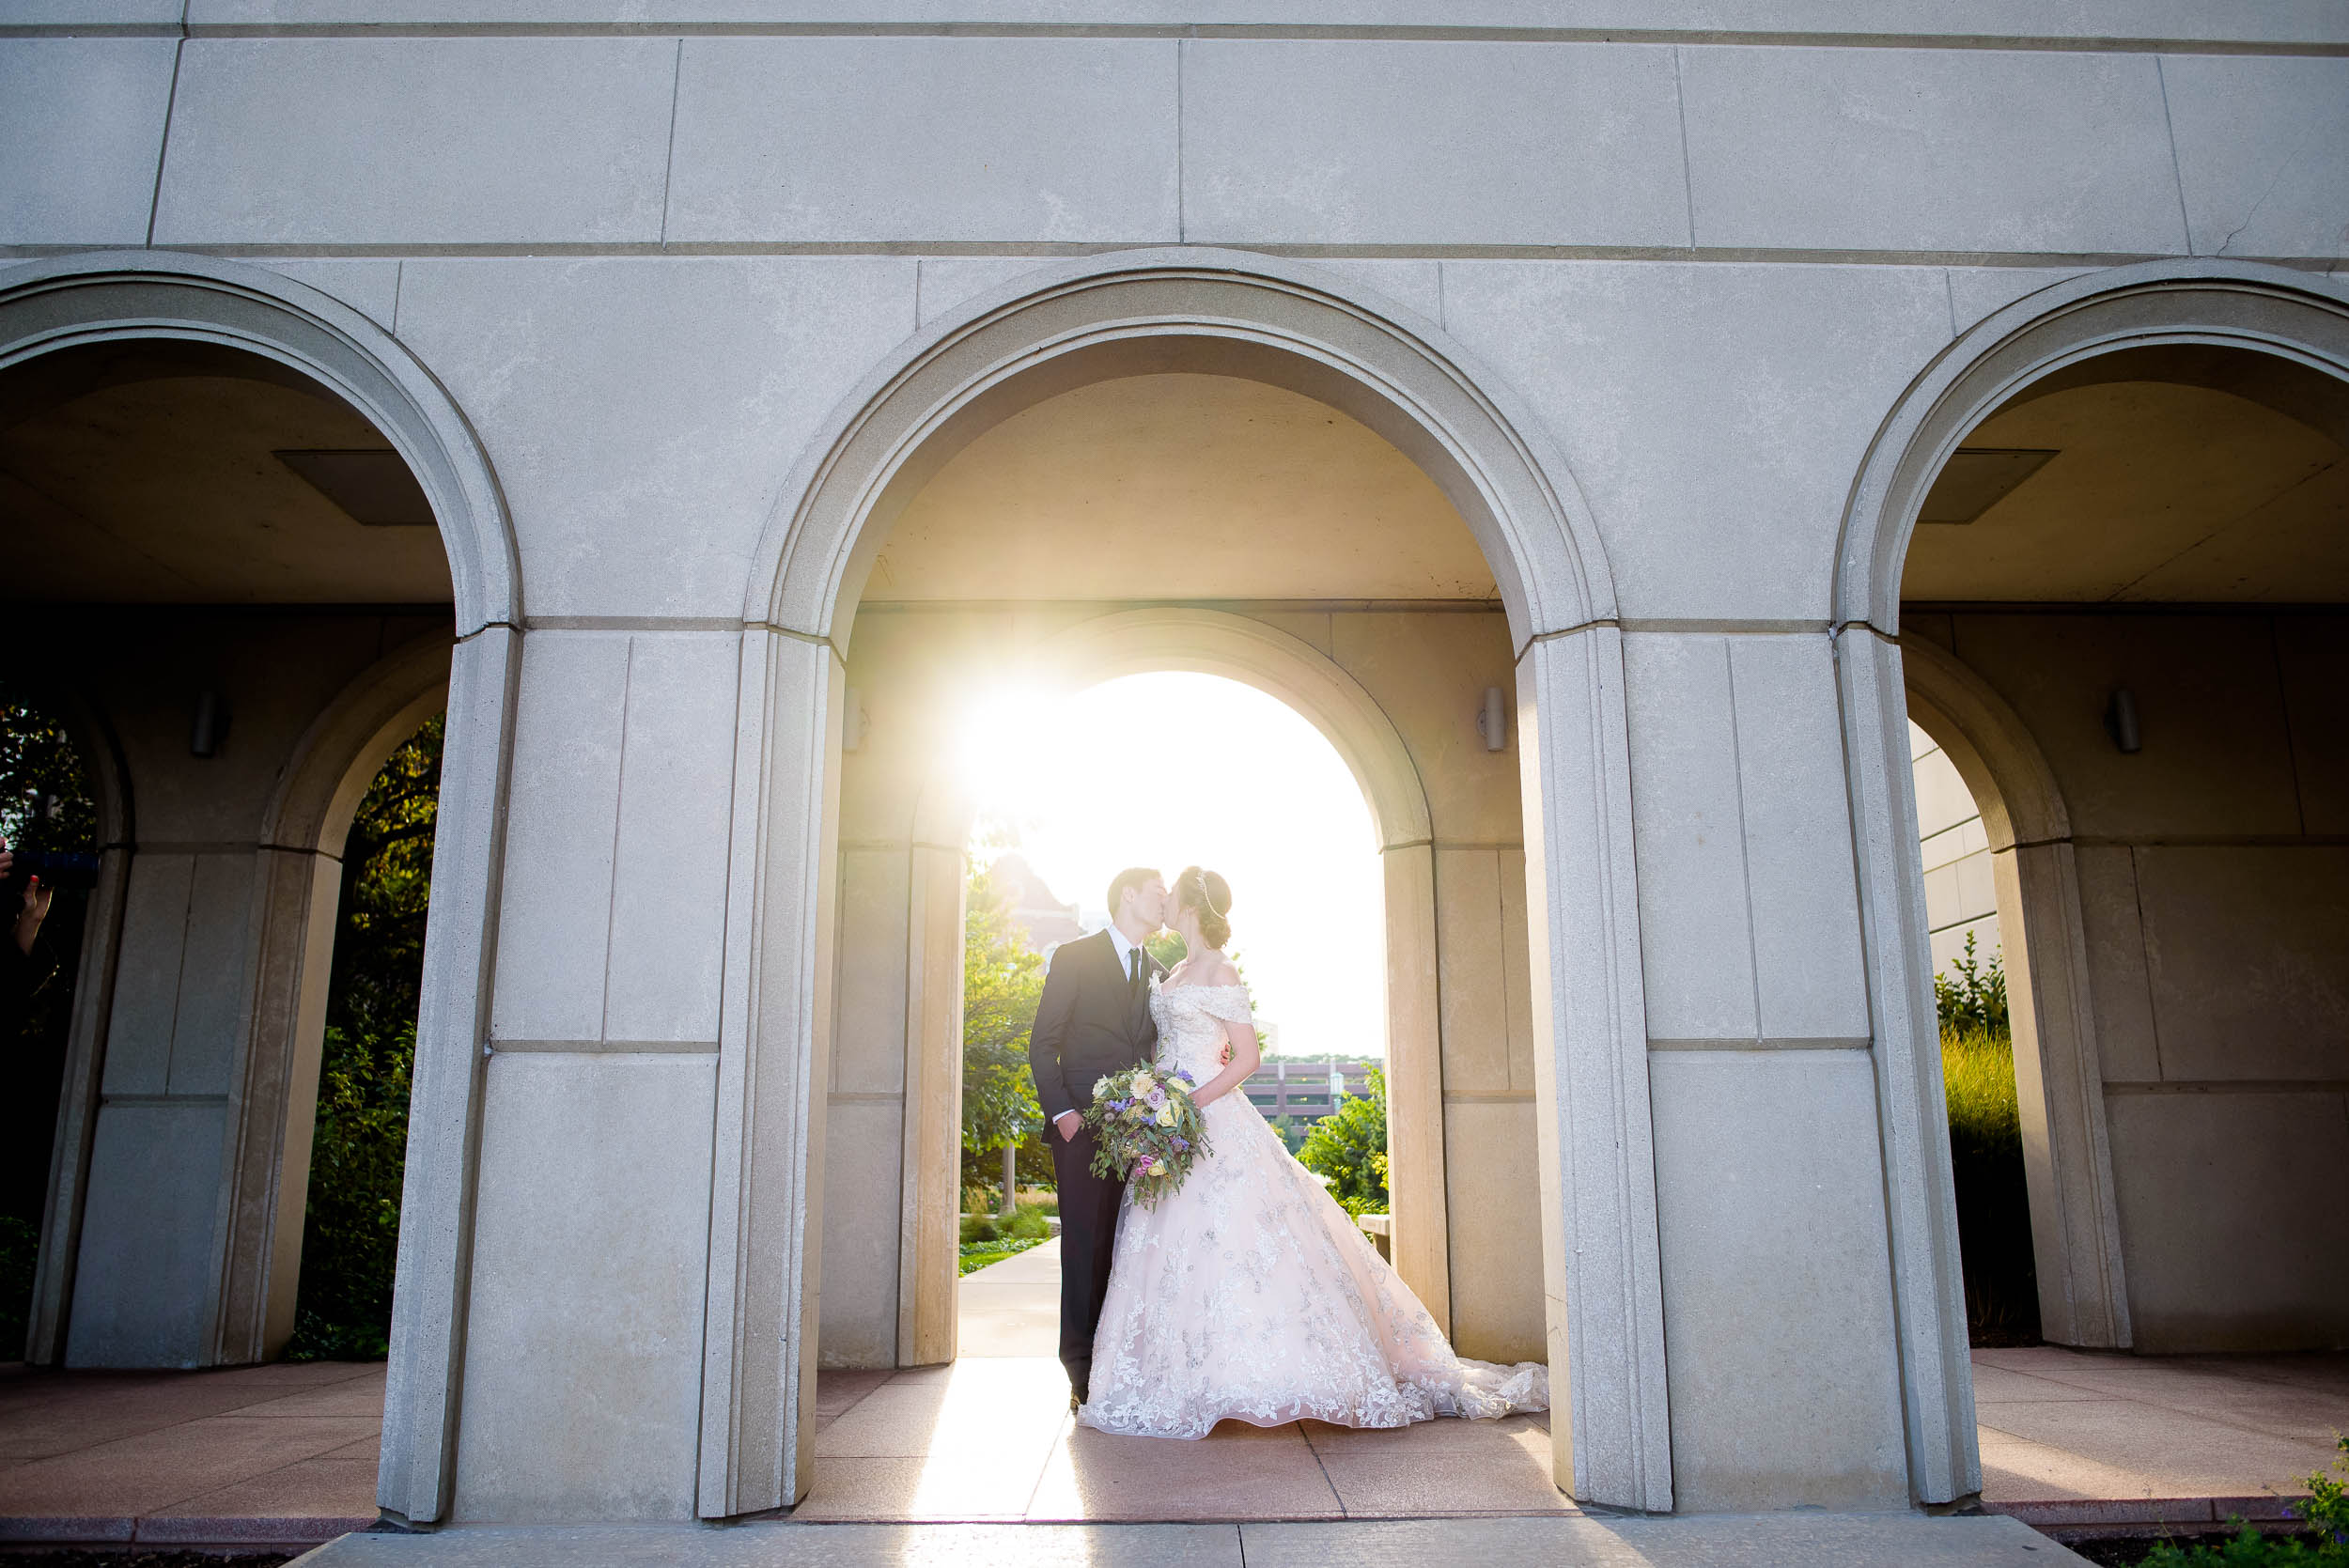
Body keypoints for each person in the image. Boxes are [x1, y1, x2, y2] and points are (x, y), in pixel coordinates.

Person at [1079, 865, 1548, 1438]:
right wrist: (1153, 1105)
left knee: (1242, 1243)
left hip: (1207, 1116)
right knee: (1169, 1250)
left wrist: (1188, 1103)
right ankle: (1182, 1374)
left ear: (1193, 905)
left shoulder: (1221, 971)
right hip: (1168, 1124)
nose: (1165, 901)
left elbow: (1246, 1058)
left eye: (1172, 893)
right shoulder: (1171, 970)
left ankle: (1260, 1378)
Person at [1026, 865, 1168, 1412]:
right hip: (1081, 1129)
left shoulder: (1159, 971)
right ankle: (1080, 1374)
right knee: (1084, 1248)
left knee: (1129, 1249)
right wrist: (1064, 1114)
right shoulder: (1075, 957)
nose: (1164, 903)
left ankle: (1119, 1365)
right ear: (1127, 896)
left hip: (1142, 1137)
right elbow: (1044, 1043)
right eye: (1157, 894)